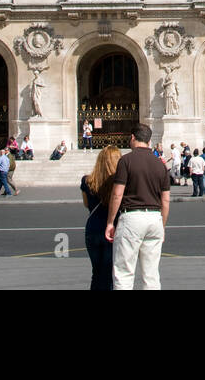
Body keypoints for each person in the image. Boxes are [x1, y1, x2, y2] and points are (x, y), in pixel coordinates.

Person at [105, 123, 171, 290]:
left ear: (133, 138)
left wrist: (111, 222)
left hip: (132, 217)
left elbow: (117, 194)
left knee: (124, 273)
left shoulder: (126, 160)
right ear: (149, 140)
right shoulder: (160, 165)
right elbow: (165, 200)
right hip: (155, 218)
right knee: (151, 275)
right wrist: (162, 225)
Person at [82, 145, 122, 291]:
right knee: (110, 274)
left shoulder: (86, 181)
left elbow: (87, 204)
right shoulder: (119, 183)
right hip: (112, 230)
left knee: (96, 273)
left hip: (92, 229)